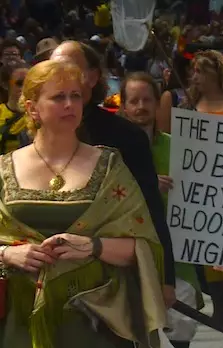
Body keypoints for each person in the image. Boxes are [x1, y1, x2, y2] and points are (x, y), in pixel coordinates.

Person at [0, 60, 165, 348]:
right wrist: (7, 254)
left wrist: (92, 246)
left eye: (76, 95)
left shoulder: (109, 165)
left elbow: (141, 246)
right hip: (22, 323)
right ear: (32, 107)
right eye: (58, 96)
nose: (71, 104)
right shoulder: (4, 169)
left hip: (94, 322)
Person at [49, 40, 177, 307]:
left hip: (110, 283)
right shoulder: (33, 137)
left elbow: (150, 210)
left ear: (93, 77)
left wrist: (166, 279)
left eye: (69, 68)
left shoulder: (126, 137)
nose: (59, 76)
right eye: (52, 67)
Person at [120, 71, 202, 348]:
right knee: (146, 326)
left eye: (146, 100)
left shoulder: (177, 146)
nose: (140, 107)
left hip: (179, 249)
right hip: (137, 248)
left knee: (182, 323)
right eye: (133, 100)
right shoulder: (112, 150)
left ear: (158, 103)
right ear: (122, 106)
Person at [0, 60, 28, 154]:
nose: (25, 87)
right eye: (19, 83)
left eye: (29, 82)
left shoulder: (40, 113)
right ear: (5, 85)